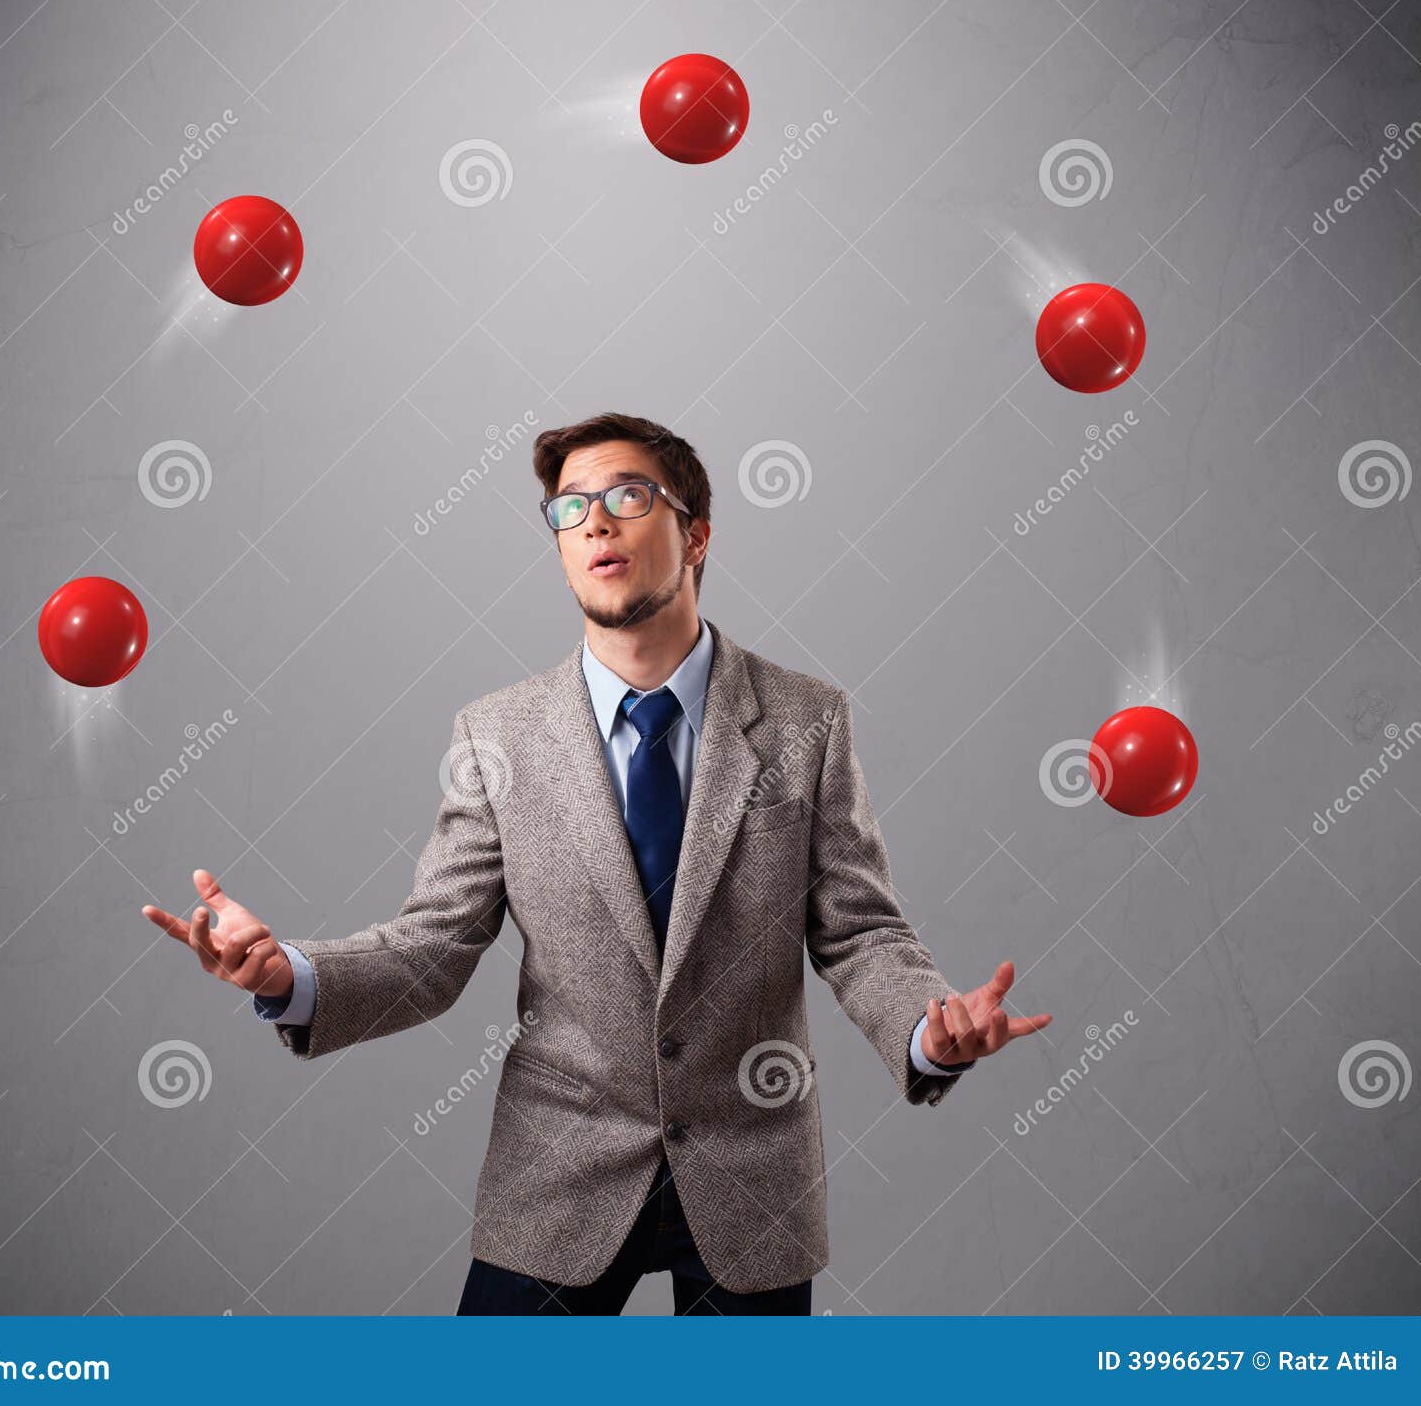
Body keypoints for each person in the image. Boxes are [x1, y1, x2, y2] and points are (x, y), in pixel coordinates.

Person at [142, 411, 1053, 1315]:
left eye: (626, 496)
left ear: (696, 533)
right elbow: (435, 946)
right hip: (557, 1175)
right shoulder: (496, 734)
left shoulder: (807, 718)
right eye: (569, 509)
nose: (596, 523)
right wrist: (288, 974)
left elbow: (857, 932)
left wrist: (926, 1033)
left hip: (752, 1179)